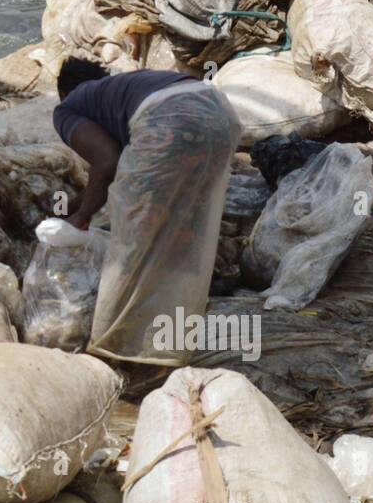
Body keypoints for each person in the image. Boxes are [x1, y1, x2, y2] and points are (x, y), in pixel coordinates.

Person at [51, 57, 241, 365]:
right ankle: (174, 335)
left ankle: (111, 345)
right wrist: (78, 203)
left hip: (170, 121)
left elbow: (107, 162)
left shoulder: (67, 108)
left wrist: (82, 216)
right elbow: (111, 168)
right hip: (220, 114)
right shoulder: (117, 91)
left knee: (133, 238)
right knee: (185, 229)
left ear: (63, 92)